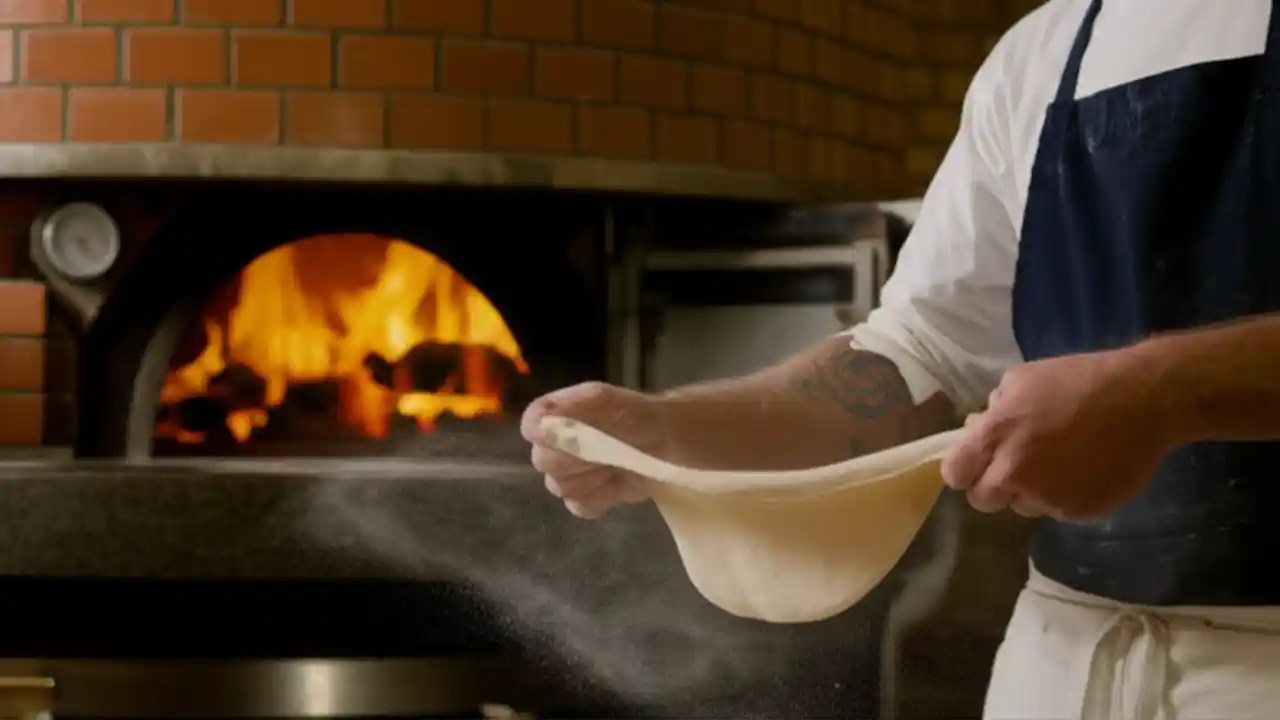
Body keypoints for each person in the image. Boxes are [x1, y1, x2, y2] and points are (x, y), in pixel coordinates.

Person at [521, 0, 1280, 716]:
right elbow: (910, 361)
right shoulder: (1038, 58)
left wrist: (1159, 395)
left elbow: (1141, 394)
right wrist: (670, 427)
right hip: (1063, 666)